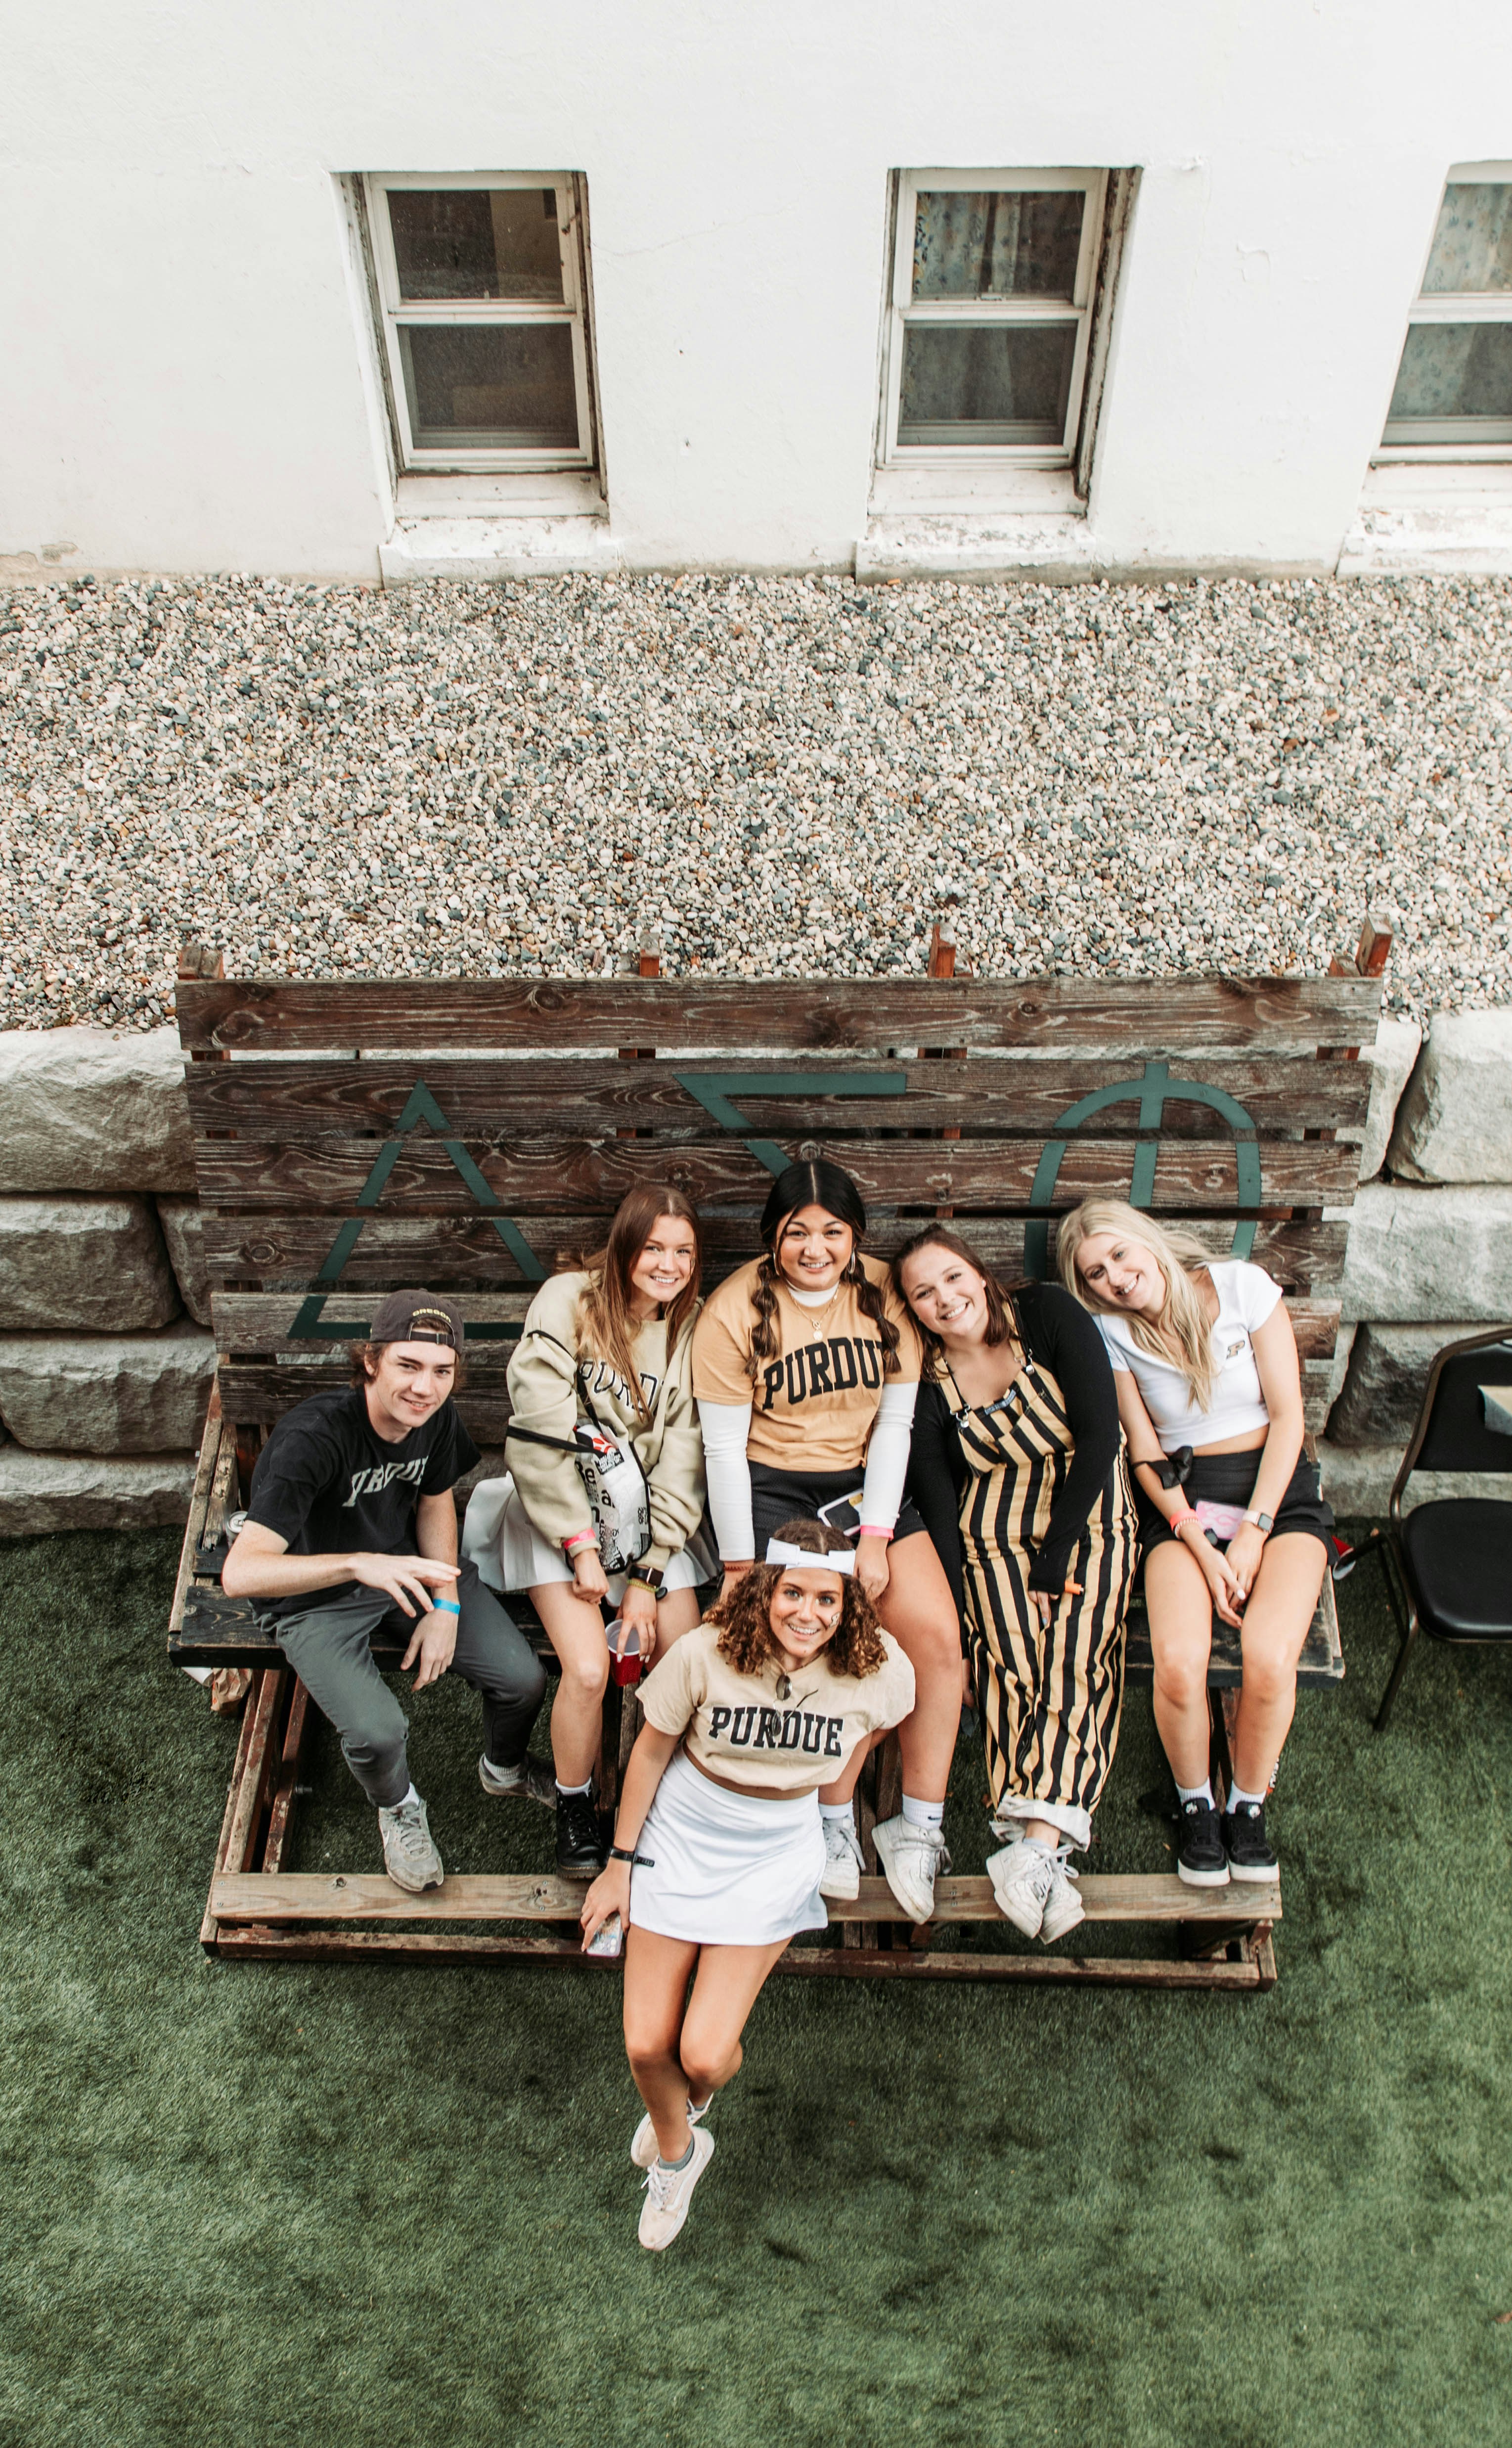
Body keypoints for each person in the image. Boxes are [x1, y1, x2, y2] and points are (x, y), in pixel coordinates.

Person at [579, 1517, 915, 2252]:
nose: (808, 1613)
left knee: (701, 2056)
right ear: (764, 1591)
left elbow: (875, 1725)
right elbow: (647, 1753)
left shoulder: (879, 1666)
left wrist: (830, 1801)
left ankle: (681, 2109)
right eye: (792, 1592)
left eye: (827, 1599)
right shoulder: (706, 1652)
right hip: (682, 1833)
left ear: (848, 1602)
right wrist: (620, 1863)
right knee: (645, 2045)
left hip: (773, 1851)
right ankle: (678, 2152)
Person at [691, 1158, 961, 1925]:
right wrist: (741, 1563)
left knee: (936, 1638)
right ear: (772, 1234)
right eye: (796, 1231)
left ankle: (919, 1824)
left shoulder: (882, 1294)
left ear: (856, 1235)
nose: (815, 1247)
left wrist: (876, 1535)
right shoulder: (734, 1306)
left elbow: (896, 1426)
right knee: (820, 1641)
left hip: (862, 1483)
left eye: (832, 1231)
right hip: (772, 1484)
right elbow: (722, 1448)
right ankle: (832, 1819)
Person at [220, 1292, 549, 1895]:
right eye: (408, 1365)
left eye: (441, 1371)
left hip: (408, 1571)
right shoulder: (311, 1440)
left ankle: (504, 1768)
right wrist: (358, 1562)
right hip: (314, 1597)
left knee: (521, 1679)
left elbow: (434, 1502)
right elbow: (242, 1575)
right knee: (378, 1732)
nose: (425, 1387)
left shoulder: (436, 1419)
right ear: (370, 1360)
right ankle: (398, 1807)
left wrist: (445, 1604)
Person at [1057, 1200, 1333, 1887]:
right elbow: (1144, 1454)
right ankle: (1195, 1803)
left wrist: (1253, 1534)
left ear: (1147, 1241)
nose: (1115, 1278)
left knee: (1269, 1659)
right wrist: (1203, 1544)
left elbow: (1289, 1417)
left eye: (1119, 1255)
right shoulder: (1109, 1332)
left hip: (1277, 1494)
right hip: (1181, 1506)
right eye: (1095, 1273)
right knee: (1179, 1664)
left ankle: (1247, 1803)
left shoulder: (1241, 1285)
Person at [895, 1227, 1137, 1944]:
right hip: (989, 1530)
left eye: (951, 1278)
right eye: (923, 1293)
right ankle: (1037, 1853)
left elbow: (1101, 1435)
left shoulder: (1047, 1314)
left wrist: (1054, 1556)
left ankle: (1035, 1841)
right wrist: (962, 1611)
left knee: (1074, 1654)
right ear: (913, 1310)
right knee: (1007, 1659)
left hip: (1083, 1515)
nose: (945, 1299)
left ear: (978, 1271)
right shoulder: (931, 1382)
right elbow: (940, 1504)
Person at [463, 1187, 709, 1879]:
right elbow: (539, 1431)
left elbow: (684, 1456)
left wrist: (650, 1575)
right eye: (654, 1247)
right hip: (555, 1511)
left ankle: (668, 1806)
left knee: (683, 1660)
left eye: (683, 1251)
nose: (668, 1265)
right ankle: (576, 1809)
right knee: (590, 1668)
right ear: (625, 1243)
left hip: (645, 1524)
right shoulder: (567, 1299)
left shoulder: (690, 1327)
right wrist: (579, 1545)